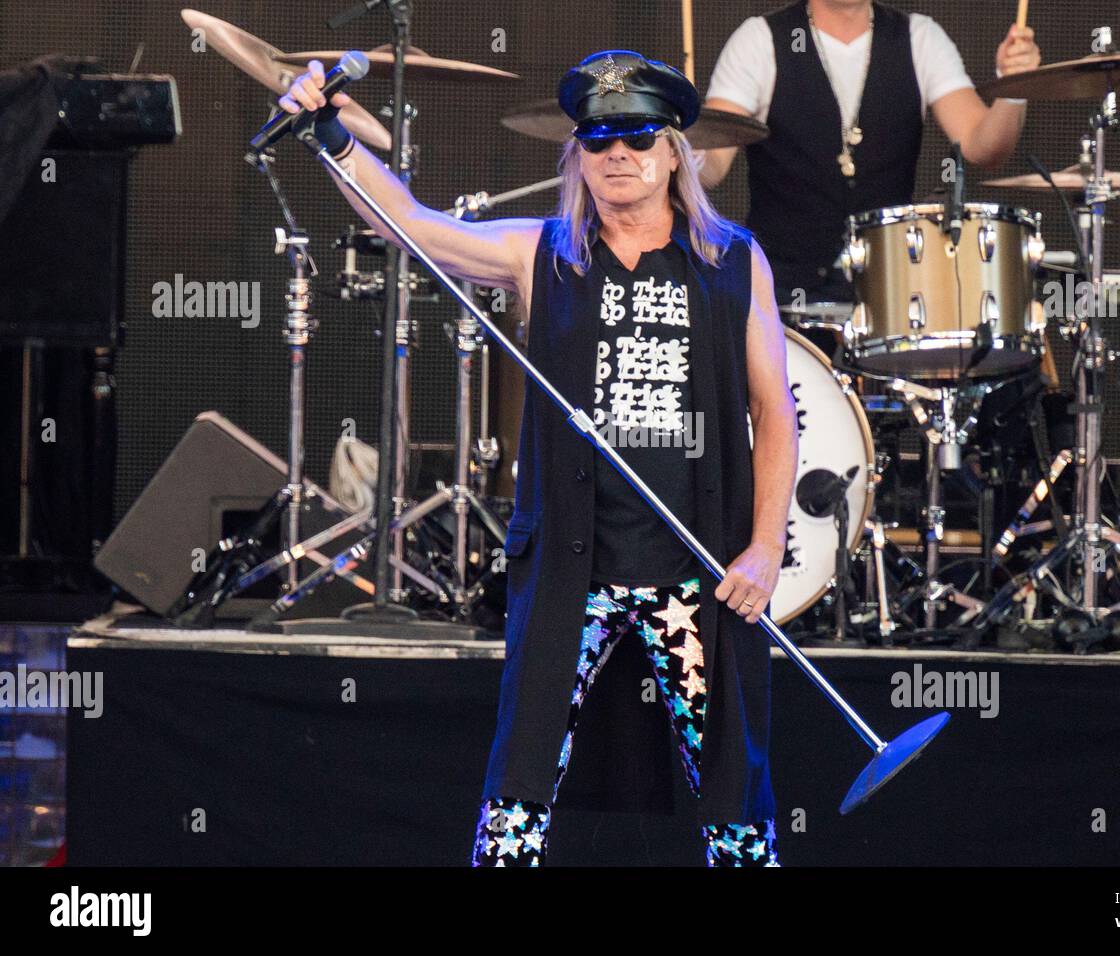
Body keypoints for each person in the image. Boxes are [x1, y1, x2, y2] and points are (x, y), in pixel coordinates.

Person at [278, 49, 798, 866]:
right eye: (596, 139)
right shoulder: (543, 253)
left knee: (735, 796)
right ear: (576, 156)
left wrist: (766, 547)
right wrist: (332, 135)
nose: (616, 155)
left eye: (635, 136)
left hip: (698, 570)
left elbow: (775, 413)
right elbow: (414, 228)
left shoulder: (733, 262)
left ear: (674, 152)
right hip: (571, 569)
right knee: (518, 792)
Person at [700, 0, 1041, 305]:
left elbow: (984, 148)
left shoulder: (920, 38)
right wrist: (685, 141)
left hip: (889, 295)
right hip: (781, 297)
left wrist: (1014, 88)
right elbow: (711, 166)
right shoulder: (759, 41)